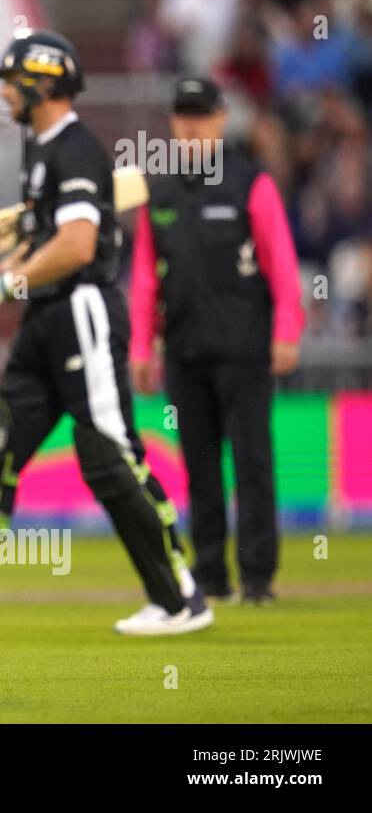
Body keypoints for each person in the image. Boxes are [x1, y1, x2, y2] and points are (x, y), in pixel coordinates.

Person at [0, 29, 212, 637]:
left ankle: (179, 597)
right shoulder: (40, 149)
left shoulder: (75, 149)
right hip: (45, 319)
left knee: (109, 457)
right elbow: (47, 236)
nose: (3, 93)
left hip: (82, 313)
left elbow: (78, 245)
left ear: (43, 84)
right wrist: (10, 249)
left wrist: (1, 284)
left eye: (12, 82)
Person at [130, 77, 305, 604]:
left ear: (222, 119)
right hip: (184, 353)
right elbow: (144, 278)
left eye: (200, 114)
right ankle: (210, 576)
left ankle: (257, 578)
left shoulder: (252, 182)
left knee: (252, 464)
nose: (190, 125)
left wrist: (288, 330)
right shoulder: (157, 192)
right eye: (183, 115)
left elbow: (282, 264)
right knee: (200, 468)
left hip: (245, 350)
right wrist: (142, 347)